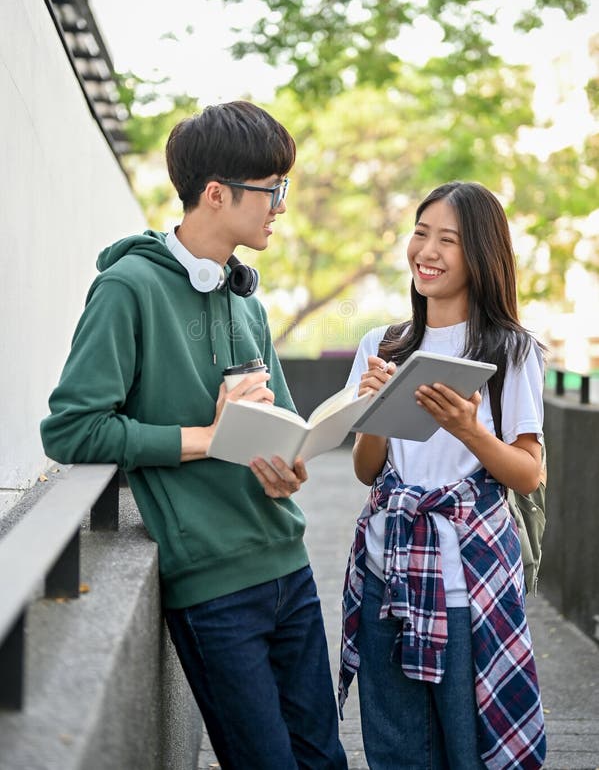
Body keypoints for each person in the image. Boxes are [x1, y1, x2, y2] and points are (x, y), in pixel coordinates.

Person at [41, 101, 347, 770]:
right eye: (272, 190)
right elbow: (72, 429)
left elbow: (285, 432)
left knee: (324, 761)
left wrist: (289, 467)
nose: (282, 207)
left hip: (287, 564)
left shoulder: (246, 300)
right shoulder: (127, 288)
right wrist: (207, 437)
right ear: (215, 194)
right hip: (211, 585)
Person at [339, 181, 547, 770]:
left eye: (447, 240)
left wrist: (470, 432)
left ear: (479, 254)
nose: (426, 251)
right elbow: (366, 470)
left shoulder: (511, 351)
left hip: (468, 585)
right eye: (421, 233)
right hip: (387, 574)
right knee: (396, 748)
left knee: (471, 747)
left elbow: (528, 473)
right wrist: (373, 413)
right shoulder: (382, 344)